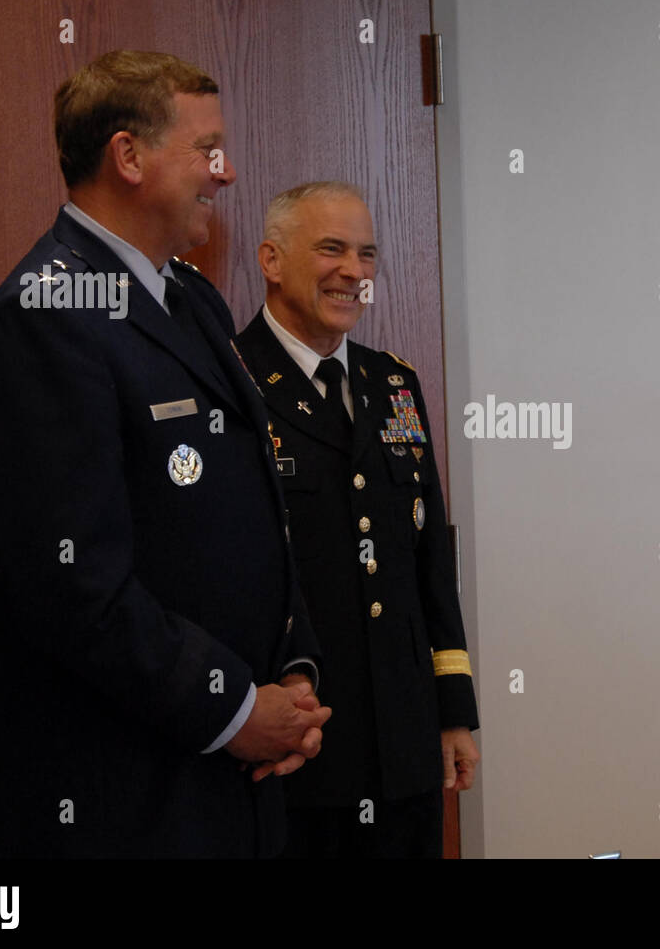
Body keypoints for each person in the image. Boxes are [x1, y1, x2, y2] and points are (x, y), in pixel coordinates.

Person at [0, 50, 331, 858]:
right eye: (206, 150)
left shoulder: (187, 295)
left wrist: (292, 674)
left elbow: (254, 513)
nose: (224, 175)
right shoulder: (44, 318)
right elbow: (72, 589)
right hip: (117, 805)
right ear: (128, 156)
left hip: (226, 790)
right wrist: (235, 710)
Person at [234, 182, 480, 858]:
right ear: (272, 259)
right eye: (332, 249)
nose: (354, 271)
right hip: (297, 743)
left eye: (367, 254)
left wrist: (453, 709)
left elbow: (432, 558)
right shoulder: (229, 382)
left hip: (403, 741)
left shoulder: (393, 384)